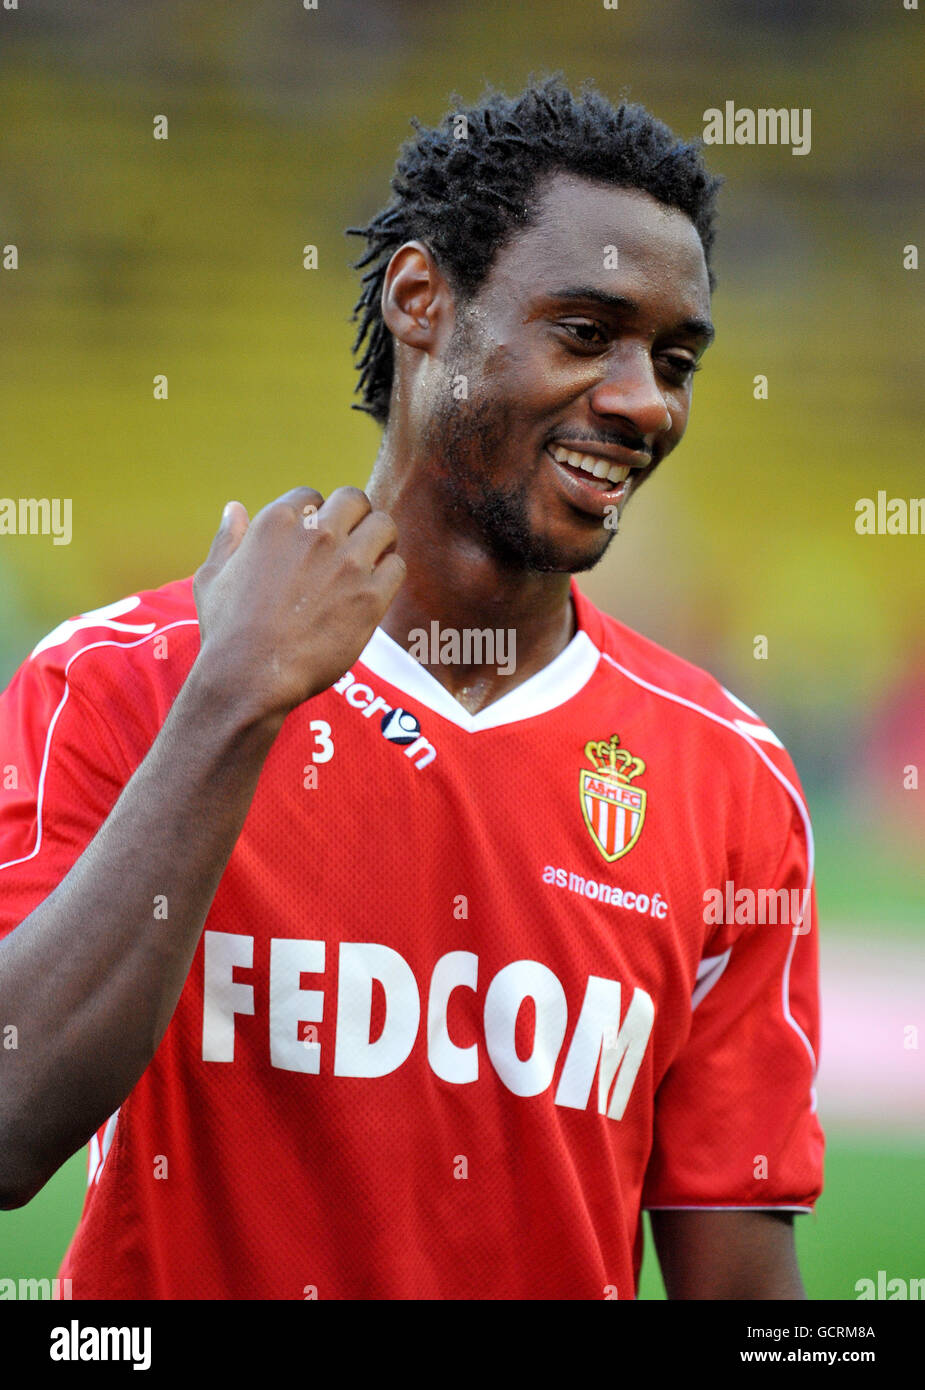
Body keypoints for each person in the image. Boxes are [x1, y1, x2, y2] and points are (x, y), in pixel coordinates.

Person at [0, 77, 823, 1299]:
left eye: (675, 356)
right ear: (420, 301)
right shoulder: (129, 676)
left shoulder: (729, 779)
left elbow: (743, 1285)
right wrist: (235, 702)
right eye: (588, 333)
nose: (647, 401)